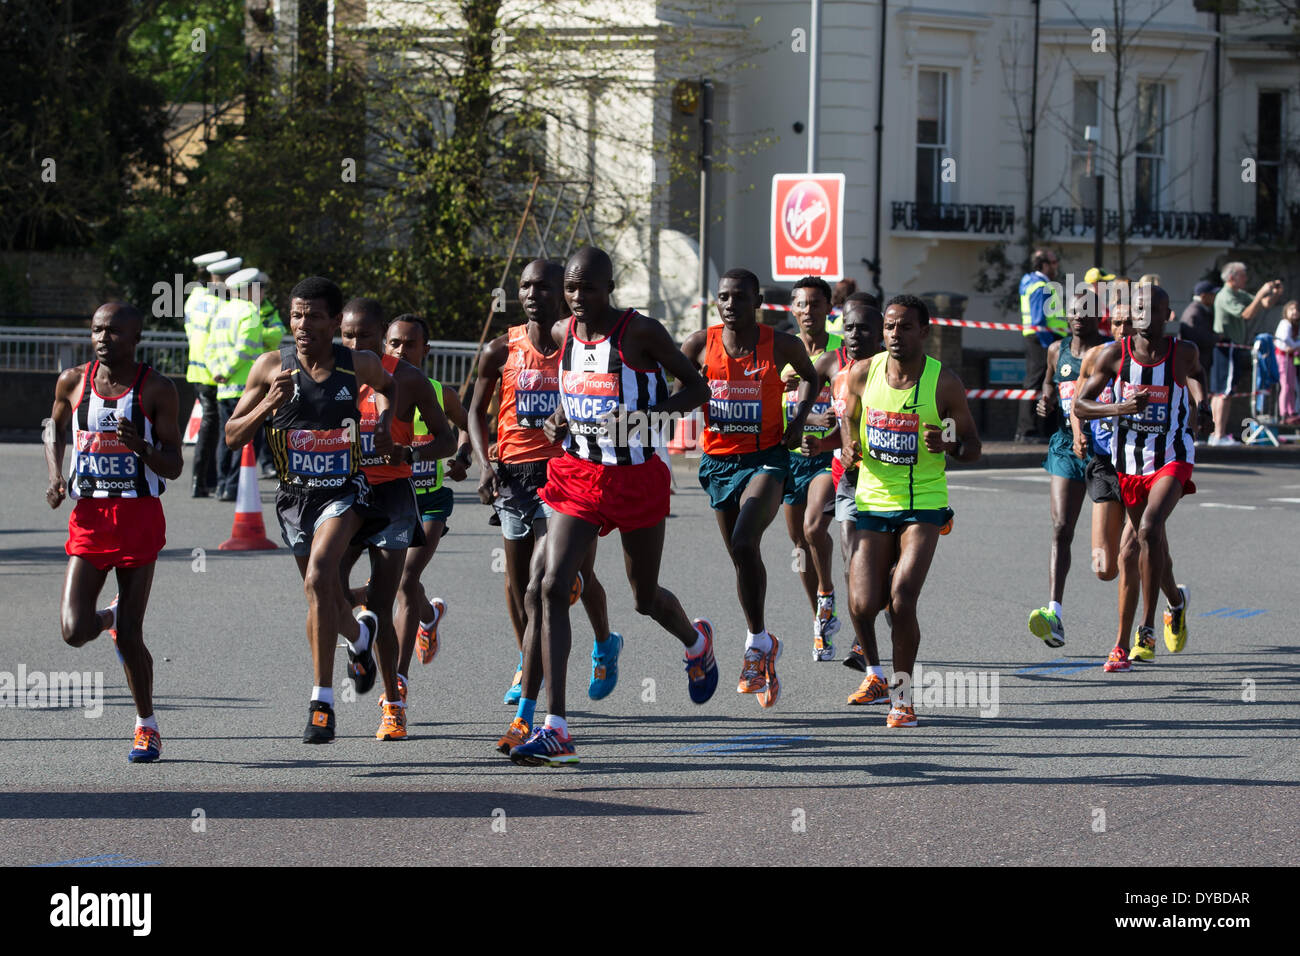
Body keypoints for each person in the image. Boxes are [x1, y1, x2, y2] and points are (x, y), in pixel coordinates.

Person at [507, 246, 713, 767]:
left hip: (637, 477)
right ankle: (556, 727)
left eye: (587, 288)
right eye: (570, 289)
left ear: (609, 287)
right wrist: (557, 418)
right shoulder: (561, 334)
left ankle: (696, 642)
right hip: (578, 474)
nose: (577, 298)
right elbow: (574, 394)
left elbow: (696, 387)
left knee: (644, 597)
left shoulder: (641, 333)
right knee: (552, 587)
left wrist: (647, 416)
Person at [224, 276, 399, 742]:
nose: (303, 325)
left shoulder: (356, 364)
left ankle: (321, 705)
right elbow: (232, 434)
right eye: (296, 315)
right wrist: (268, 404)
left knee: (320, 576)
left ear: (335, 321)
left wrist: (382, 420)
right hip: (293, 499)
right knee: (324, 597)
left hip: (344, 493)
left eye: (314, 316)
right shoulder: (269, 367)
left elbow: (388, 386)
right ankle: (360, 639)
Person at [468, 260, 615, 734]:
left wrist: (578, 418)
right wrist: (484, 463)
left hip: (567, 473)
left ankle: (602, 641)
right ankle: (524, 655)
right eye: (526, 285)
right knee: (518, 582)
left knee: (567, 578)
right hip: (513, 474)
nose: (533, 293)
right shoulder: (500, 348)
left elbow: (607, 395)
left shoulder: (581, 345)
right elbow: (474, 410)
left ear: (561, 293)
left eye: (543, 286)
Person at [45, 302, 184, 761]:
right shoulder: (73, 381)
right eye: (96, 331)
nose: (103, 339)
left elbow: (175, 465)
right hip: (89, 517)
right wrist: (55, 475)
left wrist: (140, 446)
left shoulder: (156, 389)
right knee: (72, 630)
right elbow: (53, 429)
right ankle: (105, 617)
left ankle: (147, 725)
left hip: (138, 517)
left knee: (131, 635)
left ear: (135, 338)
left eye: (114, 332)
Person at [839, 294, 981, 726]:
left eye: (904, 327)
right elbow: (847, 416)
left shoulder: (944, 383)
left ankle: (902, 697)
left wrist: (950, 444)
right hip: (874, 499)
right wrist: (847, 445)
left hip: (924, 503)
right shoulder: (863, 374)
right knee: (863, 604)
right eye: (889, 327)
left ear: (924, 331)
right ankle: (876, 675)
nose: (894, 335)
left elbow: (973, 447)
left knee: (901, 600)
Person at [681, 268, 818, 709]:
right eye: (723, 296)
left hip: (767, 459)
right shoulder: (700, 343)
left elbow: (811, 376)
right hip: (718, 462)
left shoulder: (779, 343)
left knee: (744, 540)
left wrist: (797, 420)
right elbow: (675, 383)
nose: (730, 304)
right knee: (741, 557)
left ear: (757, 300)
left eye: (740, 297)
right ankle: (765, 642)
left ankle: (754, 646)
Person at [338, 298, 458, 740]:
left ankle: (393, 702)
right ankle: (358, 637)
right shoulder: (329, 375)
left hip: (396, 496)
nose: (355, 344)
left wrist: (409, 452)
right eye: (347, 336)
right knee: (323, 582)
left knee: (390, 597)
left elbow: (447, 440)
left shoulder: (409, 379)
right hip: (345, 494)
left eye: (364, 337)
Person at [1073, 284, 1210, 670]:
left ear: (1168, 314)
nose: (1144, 314)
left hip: (1173, 456)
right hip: (1129, 464)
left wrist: (1204, 404)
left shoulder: (1184, 353)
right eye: (1139, 308)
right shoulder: (1114, 355)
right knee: (1144, 548)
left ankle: (1142, 632)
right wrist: (1120, 407)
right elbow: (1081, 405)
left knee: (1147, 532)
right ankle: (1176, 601)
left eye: (1153, 308)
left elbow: (1197, 374)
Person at [803, 296, 891, 701]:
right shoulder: (832, 365)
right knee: (852, 562)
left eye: (865, 329)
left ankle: (879, 618)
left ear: (881, 334)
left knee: (888, 576)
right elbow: (800, 405)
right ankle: (866, 653)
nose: (856, 335)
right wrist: (818, 433)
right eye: (850, 328)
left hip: (893, 485)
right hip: (849, 480)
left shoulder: (893, 373)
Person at [1027, 291, 1107, 647]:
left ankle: (1165, 597)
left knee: (1125, 545)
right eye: (1073, 312)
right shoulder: (1056, 350)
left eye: (1085, 312)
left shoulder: (1108, 352)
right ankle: (1054, 612)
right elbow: (1049, 382)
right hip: (1064, 445)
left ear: (1097, 316)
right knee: (1061, 527)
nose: (1078, 317)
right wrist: (1045, 399)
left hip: (1105, 449)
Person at [780, 276, 844, 661]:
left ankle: (827, 591)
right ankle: (820, 619)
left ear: (828, 309)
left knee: (814, 525)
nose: (808, 311)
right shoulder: (783, 350)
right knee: (799, 546)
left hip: (827, 455)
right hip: (791, 459)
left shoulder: (840, 350)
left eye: (815, 304)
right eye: (801, 305)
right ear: (792, 308)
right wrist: (778, 382)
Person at [208, 265, 266, 501]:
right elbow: (245, 348)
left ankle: (222, 485)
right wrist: (230, 370)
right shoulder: (250, 312)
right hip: (247, 388)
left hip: (224, 387)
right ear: (250, 290)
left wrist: (218, 372)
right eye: (260, 289)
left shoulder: (221, 312)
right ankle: (233, 487)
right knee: (246, 439)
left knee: (225, 438)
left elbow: (209, 348)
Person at [1211, 263, 1284, 444]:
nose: (1245, 279)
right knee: (1224, 393)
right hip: (1226, 347)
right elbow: (1247, 314)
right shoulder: (1226, 296)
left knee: (1223, 392)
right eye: (1242, 275)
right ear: (1231, 277)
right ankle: (1218, 434)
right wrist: (1261, 292)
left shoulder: (1238, 294)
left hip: (1233, 347)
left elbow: (1262, 304)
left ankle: (1217, 434)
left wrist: (1275, 293)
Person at [182, 250, 227, 497]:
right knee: (213, 428)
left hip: (197, 369)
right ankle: (203, 481)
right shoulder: (219, 302)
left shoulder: (193, 298)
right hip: (215, 372)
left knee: (209, 428)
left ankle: (204, 480)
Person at [1017, 249, 1066, 443]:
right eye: (1054, 262)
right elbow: (1039, 319)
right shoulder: (1040, 285)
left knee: (1043, 383)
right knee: (1035, 382)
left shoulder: (1035, 283)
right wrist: (1050, 347)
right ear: (1043, 264)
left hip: (1041, 337)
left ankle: (1039, 430)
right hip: (1043, 339)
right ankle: (1027, 431)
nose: (1056, 266)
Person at [1179, 280, 1219, 378]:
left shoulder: (1200, 311)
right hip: (1194, 364)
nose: (1214, 297)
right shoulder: (1195, 313)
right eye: (1212, 294)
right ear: (1203, 296)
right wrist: (1217, 338)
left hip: (1199, 361)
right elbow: (1198, 338)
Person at [1274, 300, 1300, 421]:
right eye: (1291, 309)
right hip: (1282, 357)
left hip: (1291, 358)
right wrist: (1296, 345)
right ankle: (1283, 412)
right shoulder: (1285, 323)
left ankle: (1291, 411)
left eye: (1296, 309)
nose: (1295, 312)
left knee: (1291, 385)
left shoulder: (1295, 326)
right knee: (1286, 386)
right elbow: (1284, 339)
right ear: (1286, 311)